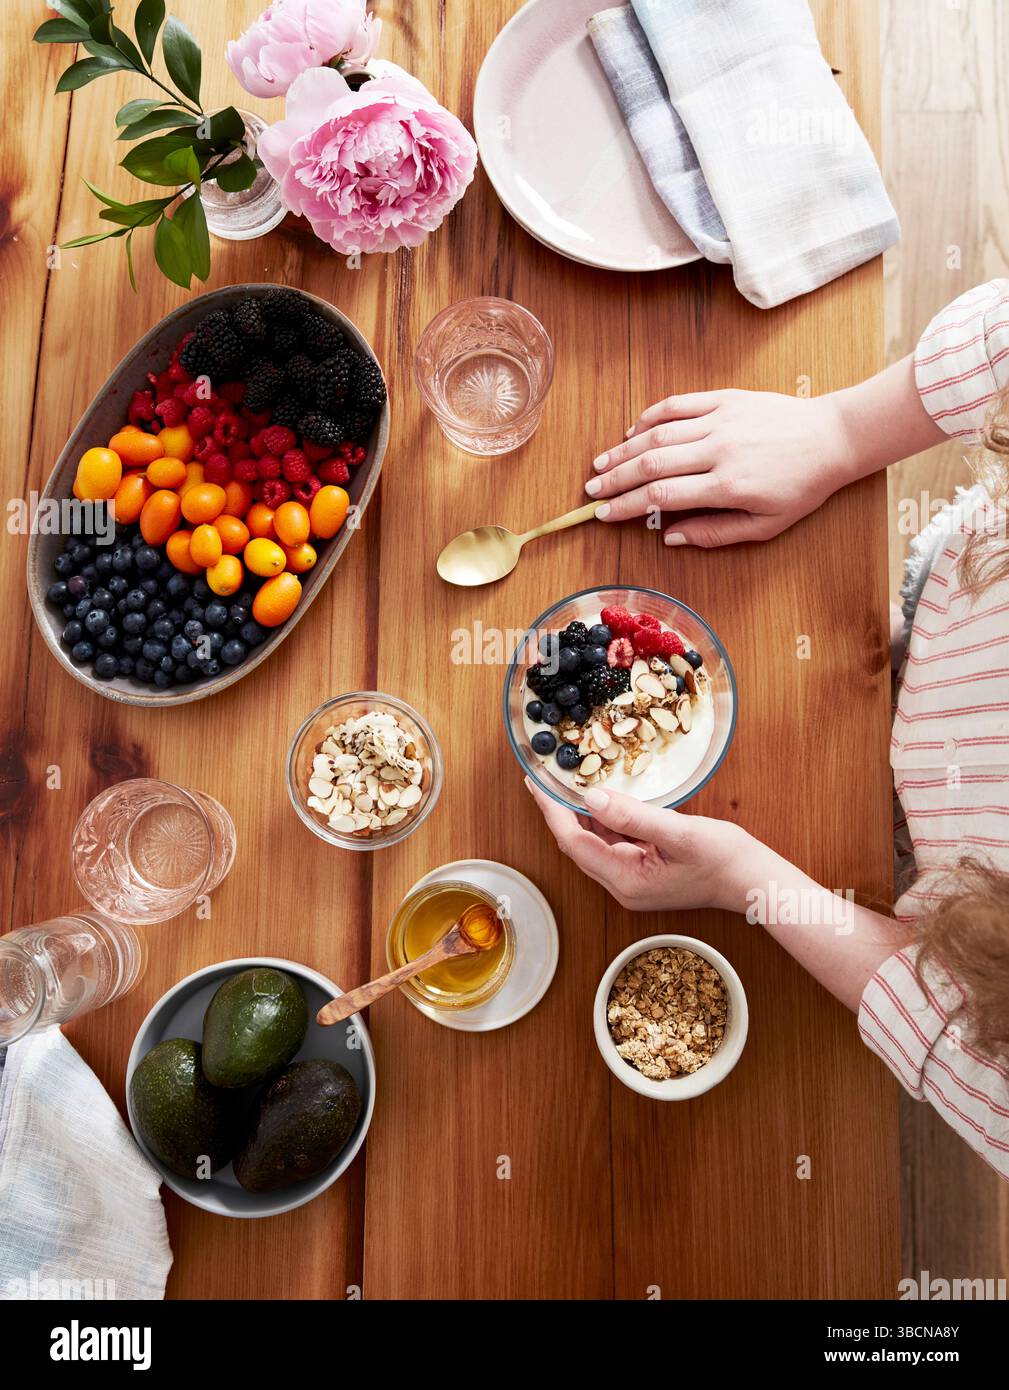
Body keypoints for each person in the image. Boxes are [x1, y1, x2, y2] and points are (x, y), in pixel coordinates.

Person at [529, 279, 1009, 1179]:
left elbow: (958, 1027)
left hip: (944, 893)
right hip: (954, 591)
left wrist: (743, 876)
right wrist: (842, 432)